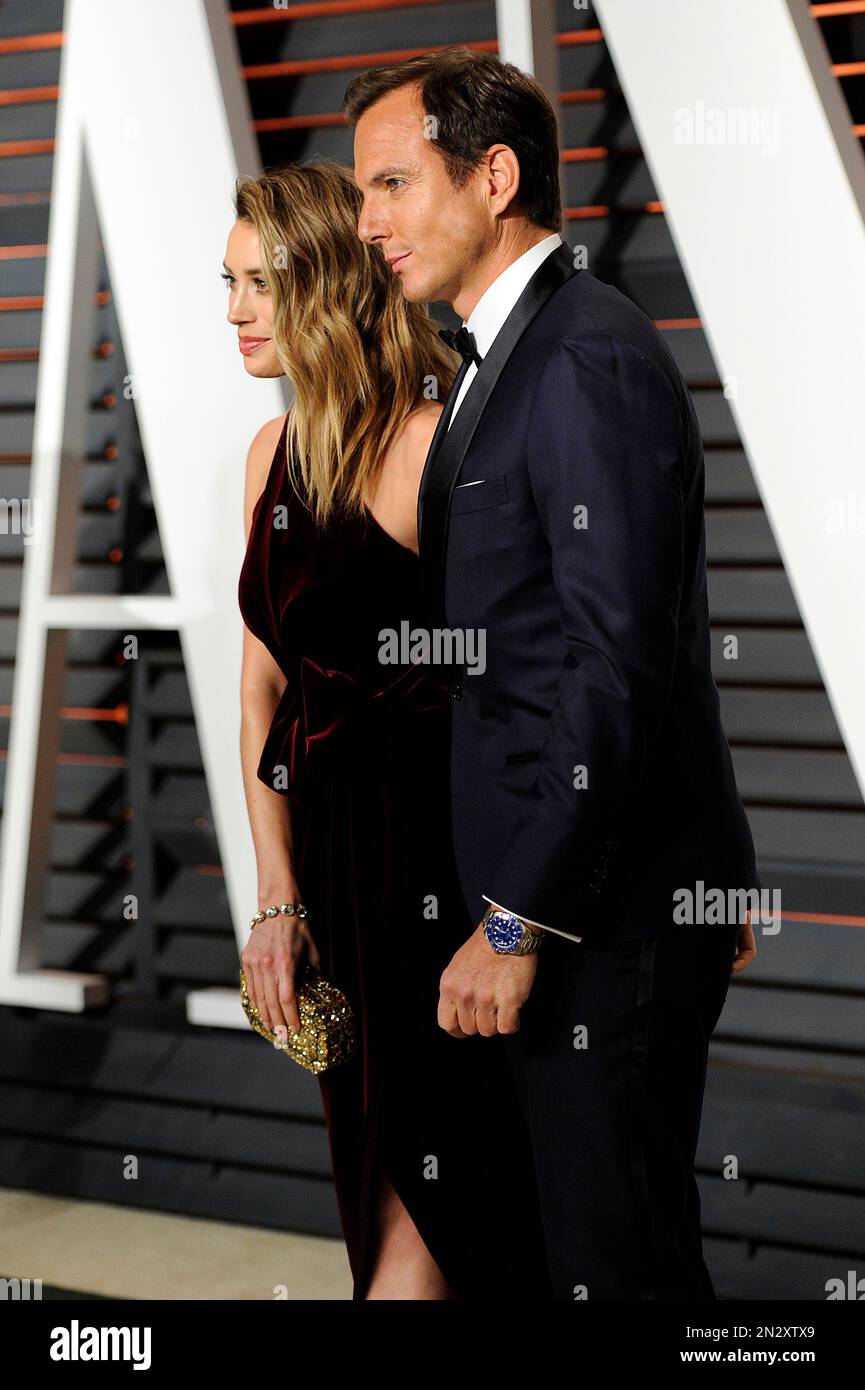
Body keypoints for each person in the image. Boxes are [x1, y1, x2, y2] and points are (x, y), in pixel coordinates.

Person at [346, 48, 760, 1300]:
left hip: (598, 910)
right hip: (572, 897)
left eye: (391, 185)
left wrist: (518, 917)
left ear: (496, 176)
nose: (367, 226)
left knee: (614, 1261)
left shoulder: (580, 356)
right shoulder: (506, 353)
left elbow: (613, 664)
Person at [229, 162, 552, 1301]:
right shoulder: (268, 461)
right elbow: (261, 699)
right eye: (227, 285)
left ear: (326, 288)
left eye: (261, 284)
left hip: (437, 871)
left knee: (441, 1222)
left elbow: (528, 687)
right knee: (377, 1201)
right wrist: (277, 899)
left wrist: (511, 919)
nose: (235, 312)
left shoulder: (429, 447)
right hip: (330, 880)